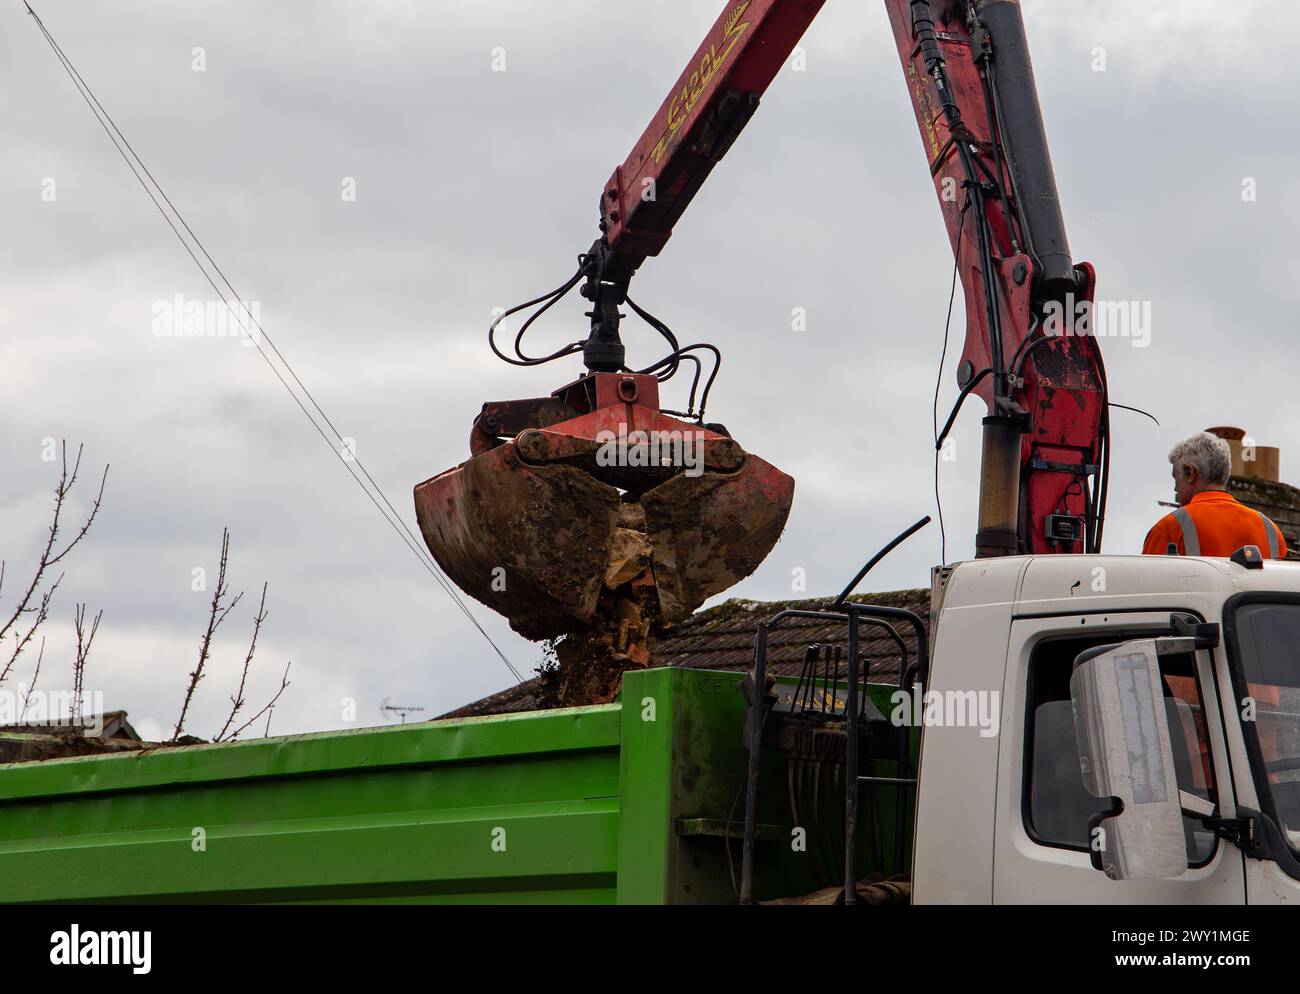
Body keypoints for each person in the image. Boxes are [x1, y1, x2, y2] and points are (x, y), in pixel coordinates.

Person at [1143, 431, 1287, 558]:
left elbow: (1148, 585)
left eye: (1176, 477)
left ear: (1190, 473)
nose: (1175, 488)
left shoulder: (1169, 528)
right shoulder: (1271, 531)